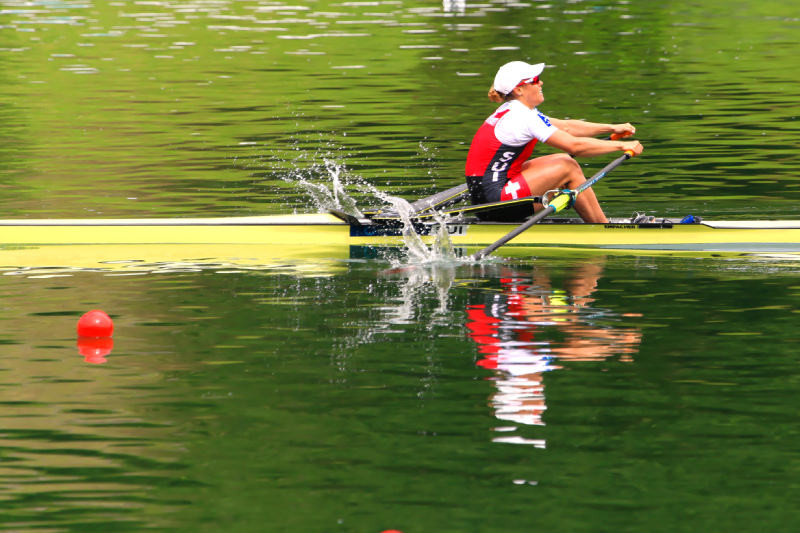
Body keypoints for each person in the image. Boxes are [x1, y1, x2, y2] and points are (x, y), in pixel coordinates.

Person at [465, 61, 644, 223]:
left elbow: (566, 128)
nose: (541, 83)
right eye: (535, 80)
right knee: (567, 165)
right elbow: (575, 146)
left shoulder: (514, 110)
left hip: (485, 196)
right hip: (495, 202)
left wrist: (612, 128)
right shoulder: (523, 116)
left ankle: (598, 223)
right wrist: (622, 145)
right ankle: (601, 227)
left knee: (559, 160)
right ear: (519, 90)